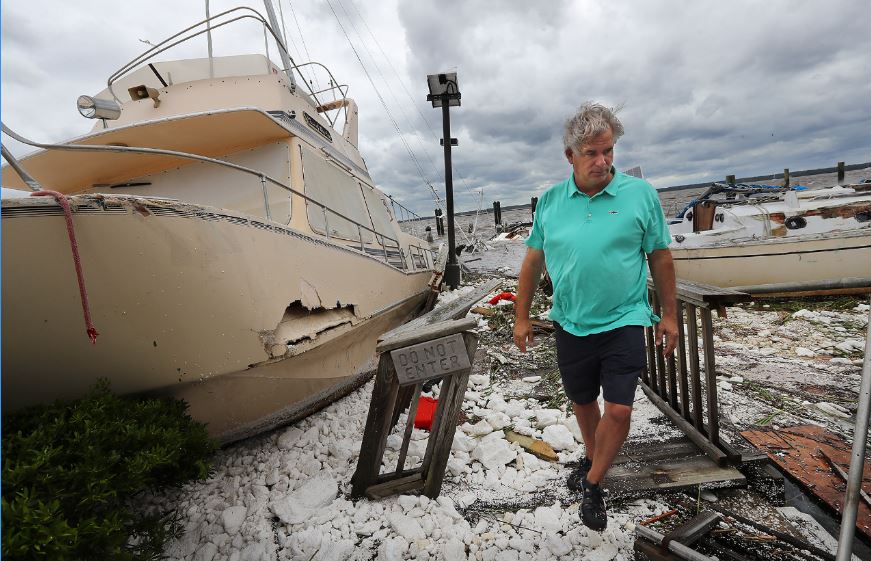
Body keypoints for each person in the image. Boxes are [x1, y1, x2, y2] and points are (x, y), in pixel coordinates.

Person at [513, 102, 677, 531]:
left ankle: (591, 482)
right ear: (570, 155)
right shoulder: (550, 201)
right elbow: (531, 264)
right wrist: (521, 317)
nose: (603, 161)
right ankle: (593, 463)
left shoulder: (640, 195)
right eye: (592, 153)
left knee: (619, 411)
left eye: (608, 151)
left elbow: (660, 257)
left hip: (625, 318)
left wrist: (670, 317)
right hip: (570, 321)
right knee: (583, 402)